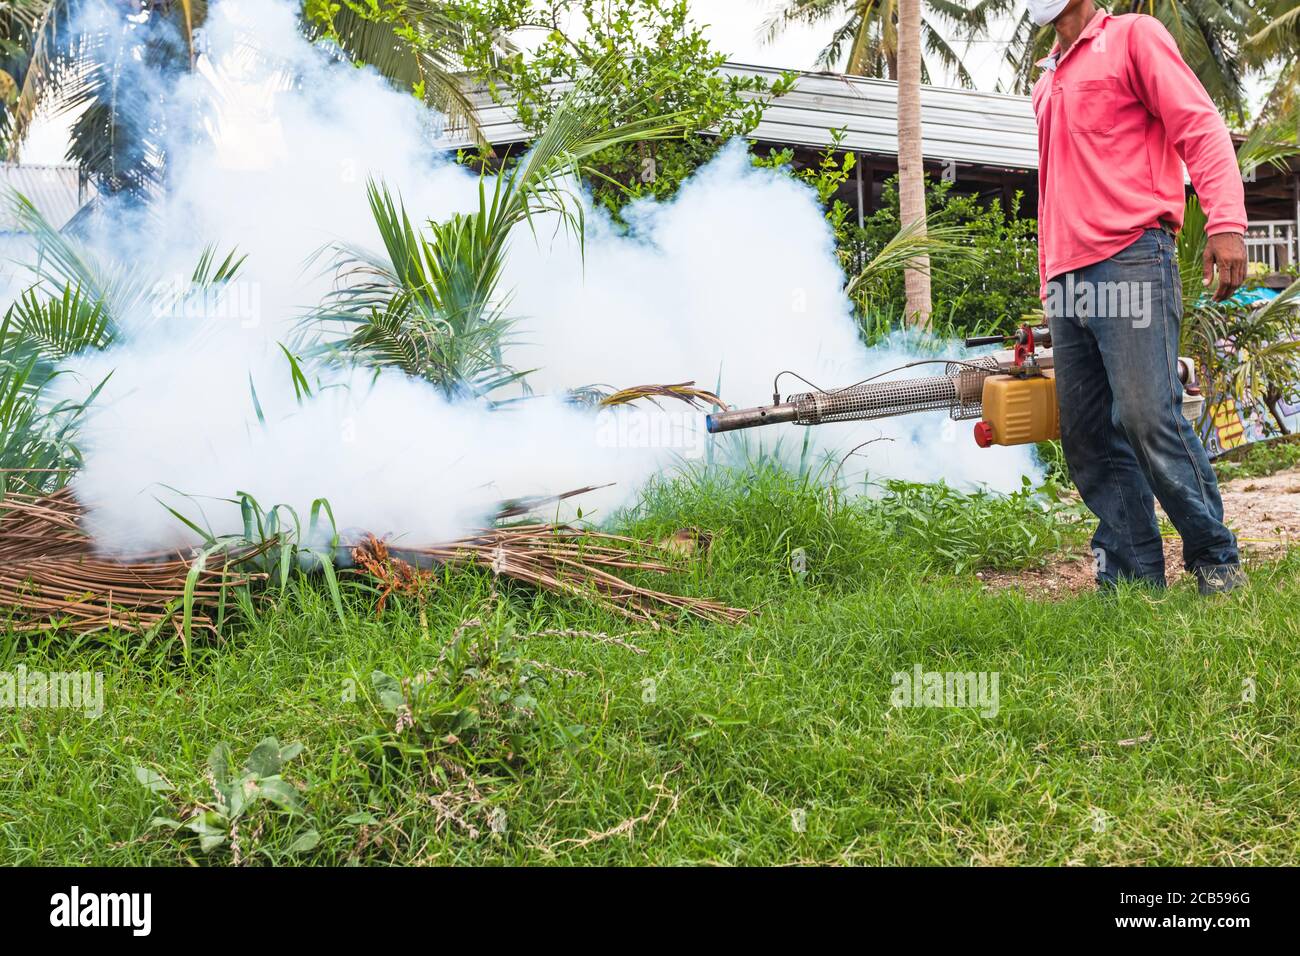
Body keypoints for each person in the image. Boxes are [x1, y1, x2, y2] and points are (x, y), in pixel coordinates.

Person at [1029, 0, 1249, 593]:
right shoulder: (1046, 80)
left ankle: (1215, 559)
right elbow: (1058, 187)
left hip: (1131, 257)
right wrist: (1050, 273)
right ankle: (1130, 576)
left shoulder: (1133, 37)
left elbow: (1199, 127)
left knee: (1147, 415)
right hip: (1068, 278)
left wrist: (1226, 221)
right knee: (1087, 432)